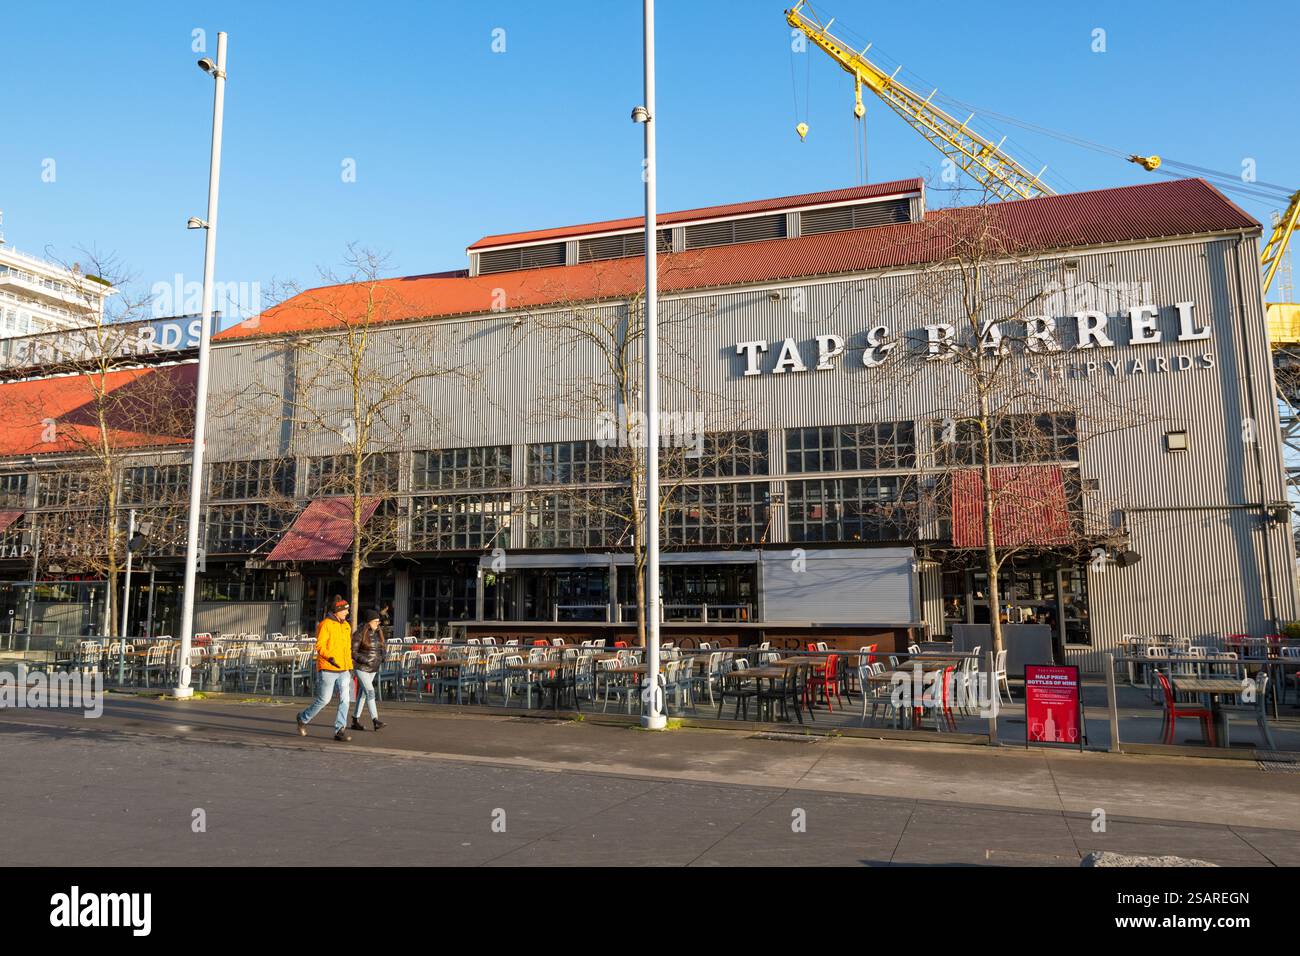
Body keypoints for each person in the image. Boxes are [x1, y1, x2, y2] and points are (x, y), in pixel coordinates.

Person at [296, 596, 355, 741]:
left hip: (344, 669)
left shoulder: (346, 626)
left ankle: (340, 730)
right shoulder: (325, 624)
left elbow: (347, 648)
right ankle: (303, 718)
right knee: (324, 700)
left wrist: (350, 666)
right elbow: (320, 646)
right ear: (337, 611)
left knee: (345, 700)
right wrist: (330, 658)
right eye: (345, 611)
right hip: (328, 668)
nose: (347, 613)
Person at [349, 608, 387, 732]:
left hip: (373, 668)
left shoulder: (378, 632)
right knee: (370, 691)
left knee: (363, 694)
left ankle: (355, 720)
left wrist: (382, 657)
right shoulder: (359, 633)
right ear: (368, 622)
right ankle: (375, 720)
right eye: (376, 621)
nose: (378, 623)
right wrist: (366, 660)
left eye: (378, 621)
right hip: (362, 668)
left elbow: (381, 648)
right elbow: (353, 652)